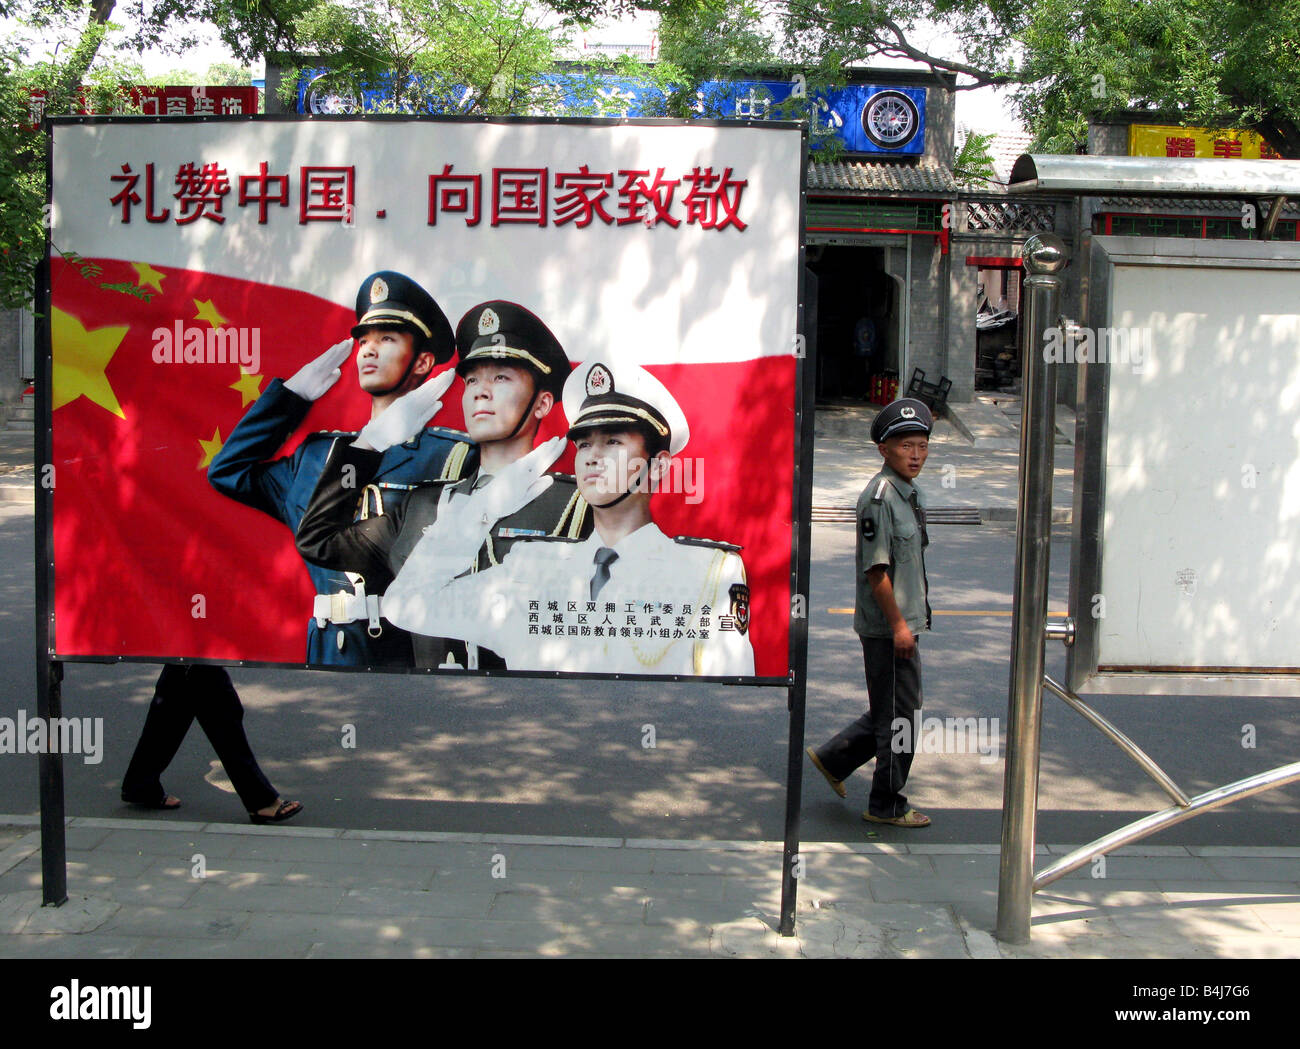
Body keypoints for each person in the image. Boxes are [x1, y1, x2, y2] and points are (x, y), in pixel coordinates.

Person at [380, 353, 755, 677]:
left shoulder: (705, 574)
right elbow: (406, 605)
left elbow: (730, 700)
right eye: (584, 443)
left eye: (613, 441)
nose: (592, 456)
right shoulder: (531, 567)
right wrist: (481, 511)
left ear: (657, 467)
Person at [295, 301, 590, 669]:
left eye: (501, 378)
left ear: (543, 403)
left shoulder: (574, 505)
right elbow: (317, 540)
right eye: (472, 380)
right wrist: (367, 445)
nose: (481, 392)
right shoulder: (422, 506)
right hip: (435, 718)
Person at [207, 270, 476, 667]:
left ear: (422, 361)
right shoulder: (318, 455)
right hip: (327, 655)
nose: (368, 350)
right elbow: (228, 471)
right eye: (364, 340)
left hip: (405, 655)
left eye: (387, 339)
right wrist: (290, 398)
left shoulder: (451, 457)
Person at [806, 396, 934, 828]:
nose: (915, 455)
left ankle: (833, 759)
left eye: (921, 446)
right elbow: (876, 570)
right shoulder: (880, 498)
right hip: (889, 629)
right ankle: (886, 803)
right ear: (884, 449)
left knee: (891, 710)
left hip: (902, 624)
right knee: (902, 719)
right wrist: (899, 627)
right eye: (905, 446)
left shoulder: (906, 493)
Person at [120, 665, 302, 824]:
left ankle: (140, 784)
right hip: (197, 636)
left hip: (194, 637)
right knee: (221, 708)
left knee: (175, 697)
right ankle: (260, 801)